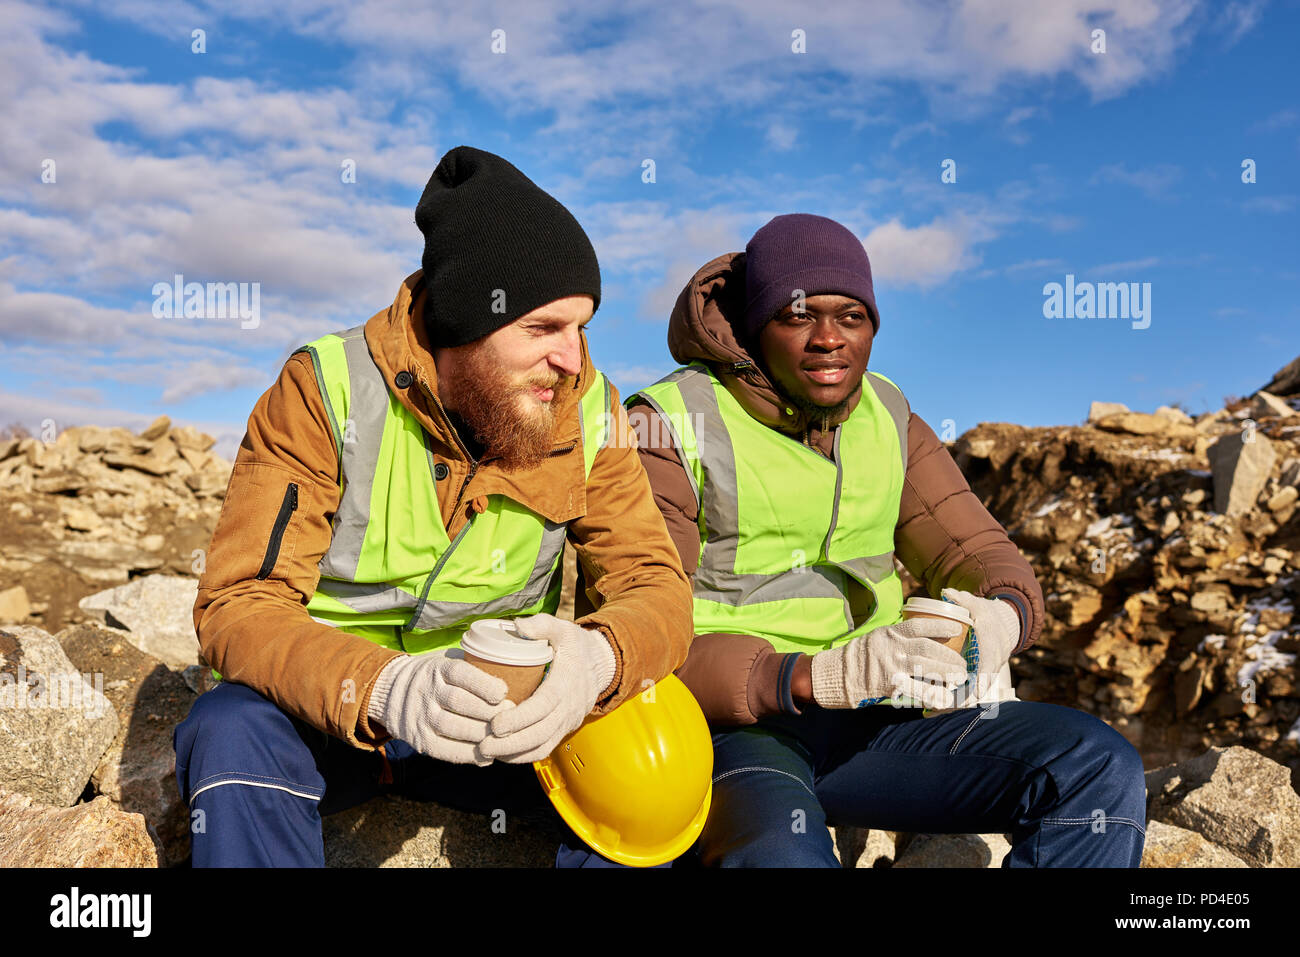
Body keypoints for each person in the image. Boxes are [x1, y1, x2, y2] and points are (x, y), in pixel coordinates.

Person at [173, 146, 693, 867]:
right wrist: (386, 688)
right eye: (543, 329)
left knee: (653, 767)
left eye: (581, 327)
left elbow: (655, 587)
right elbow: (239, 602)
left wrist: (596, 660)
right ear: (463, 325)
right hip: (331, 714)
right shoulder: (324, 388)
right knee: (230, 729)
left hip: (505, 723)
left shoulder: (590, 413)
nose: (573, 360)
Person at [622, 213, 1148, 867]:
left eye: (852, 316)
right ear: (756, 324)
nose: (828, 340)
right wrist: (808, 676)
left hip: (876, 719)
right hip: (734, 728)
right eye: (797, 316)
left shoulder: (888, 415)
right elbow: (641, 635)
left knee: (1095, 766)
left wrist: (998, 620)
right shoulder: (666, 424)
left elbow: (980, 555)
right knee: (780, 851)